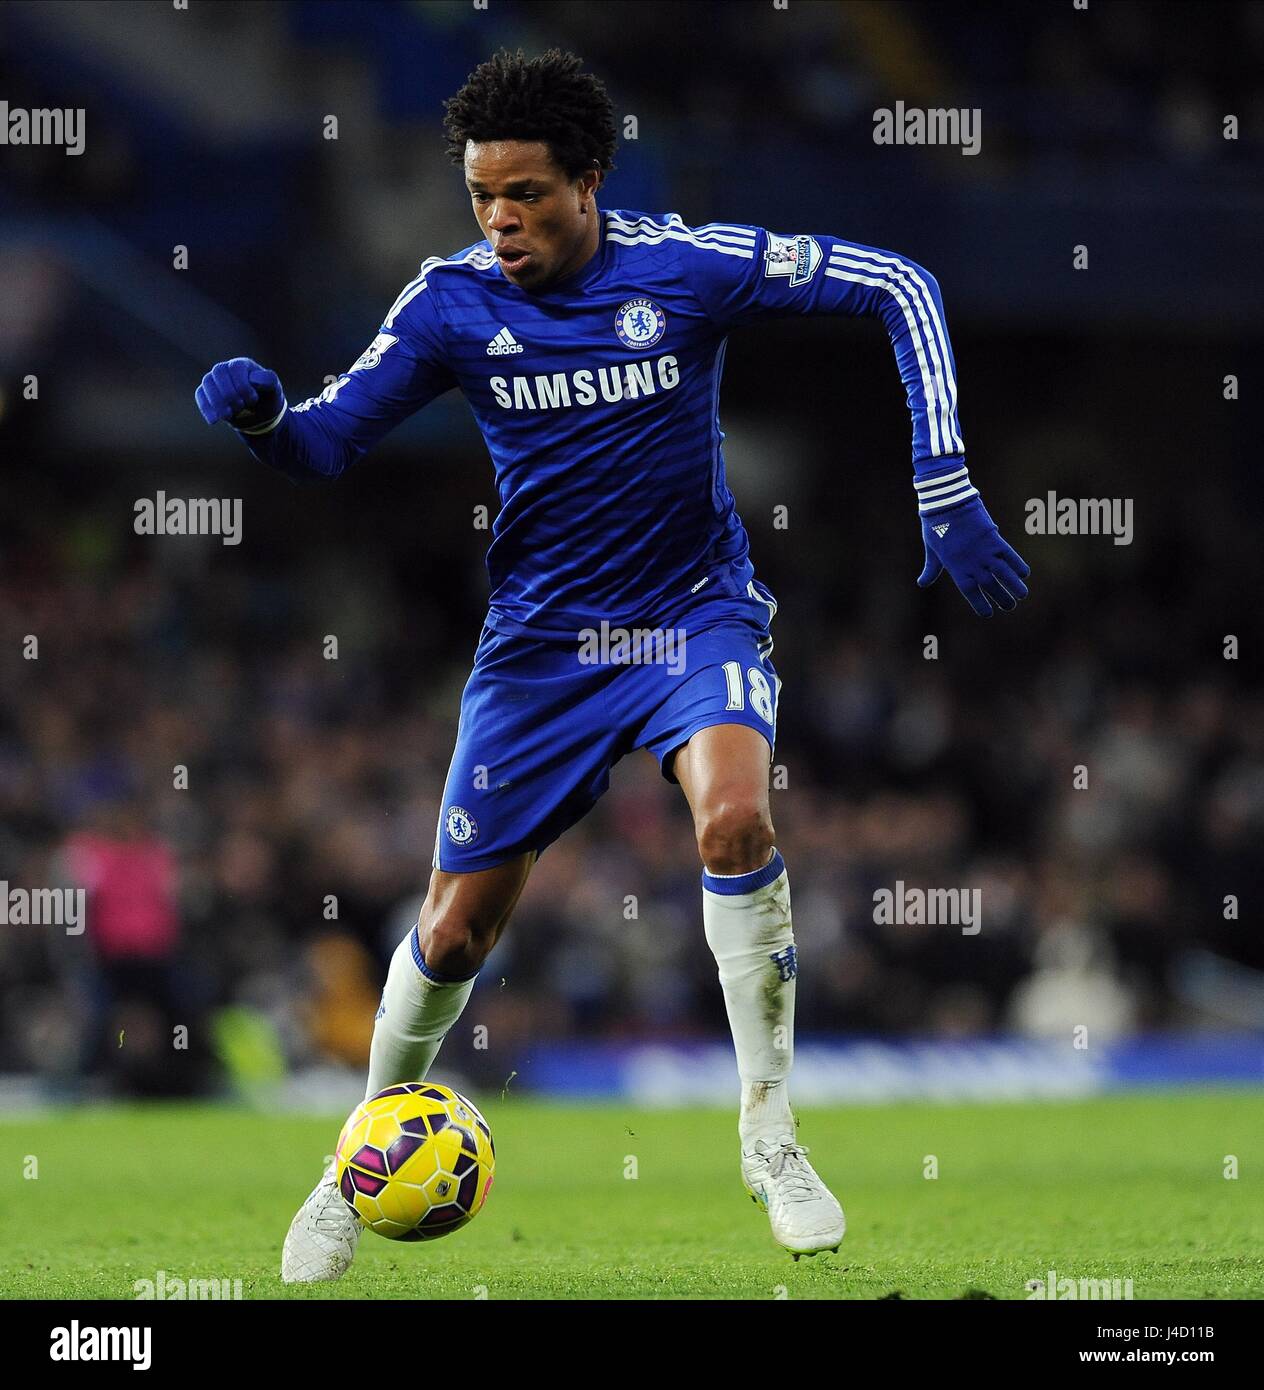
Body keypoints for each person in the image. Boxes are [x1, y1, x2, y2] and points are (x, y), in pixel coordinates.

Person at [195, 48, 1029, 1281]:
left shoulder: (682, 270)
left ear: (588, 182)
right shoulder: (446, 305)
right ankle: (350, 1163)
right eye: (482, 196)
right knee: (458, 925)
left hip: (693, 615)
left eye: (525, 194)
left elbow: (898, 283)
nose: (501, 221)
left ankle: (770, 1133)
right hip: (541, 650)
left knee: (735, 821)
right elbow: (325, 446)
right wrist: (268, 422)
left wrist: (944, 478)